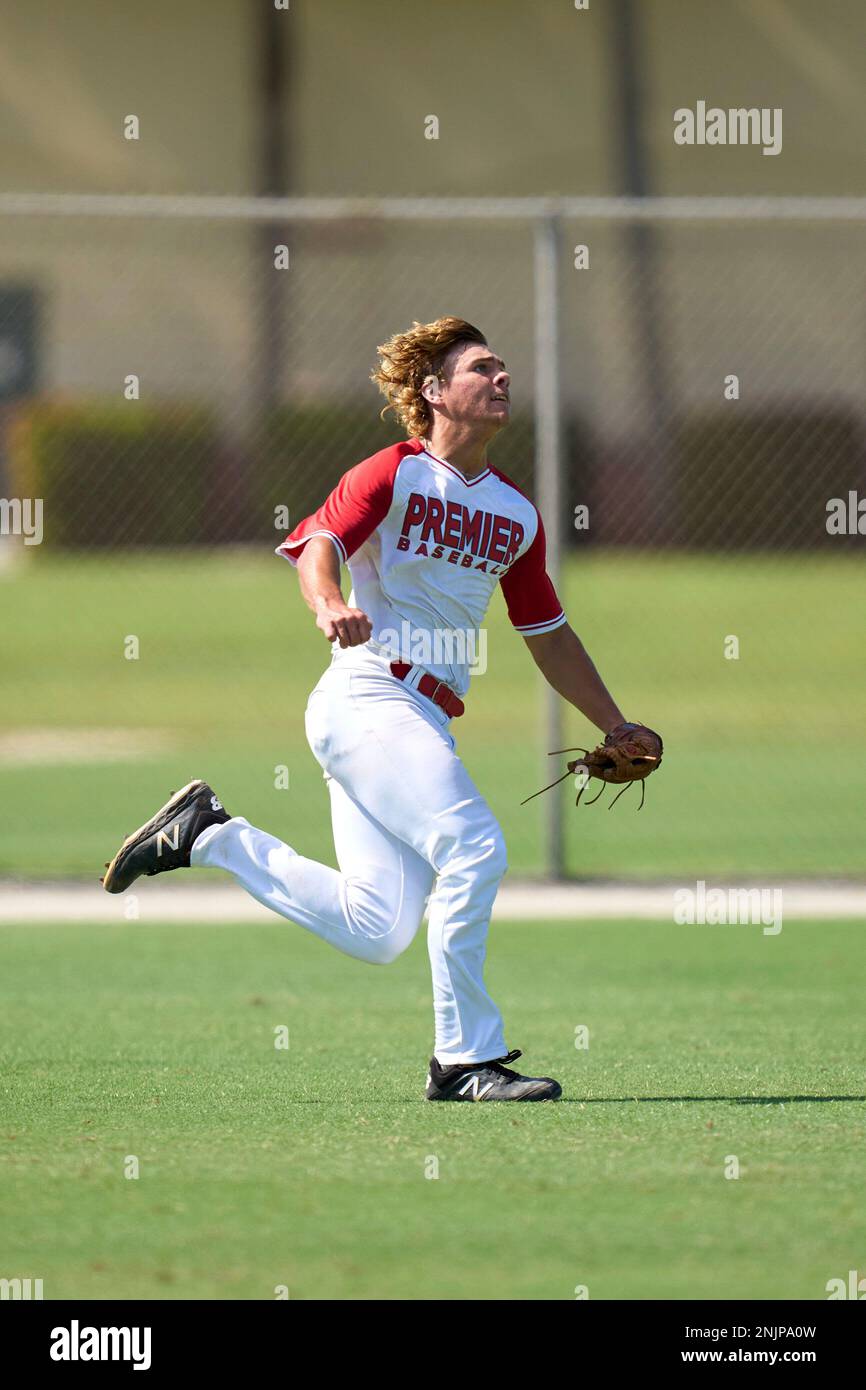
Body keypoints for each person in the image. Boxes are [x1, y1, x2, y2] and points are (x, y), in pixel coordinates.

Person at [102, 316, 637, 1103]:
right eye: (482, 368)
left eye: (503, 369)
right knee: (475, 849)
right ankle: (464, 1061)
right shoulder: (391, 473)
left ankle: (209, 836)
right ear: (433, 391)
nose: (502, 379)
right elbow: (320, 544)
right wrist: (325, 602)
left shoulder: (517, 514)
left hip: (421, 720)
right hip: (368, 694)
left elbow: (547, 634)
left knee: (378, 926)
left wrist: (614, 724)